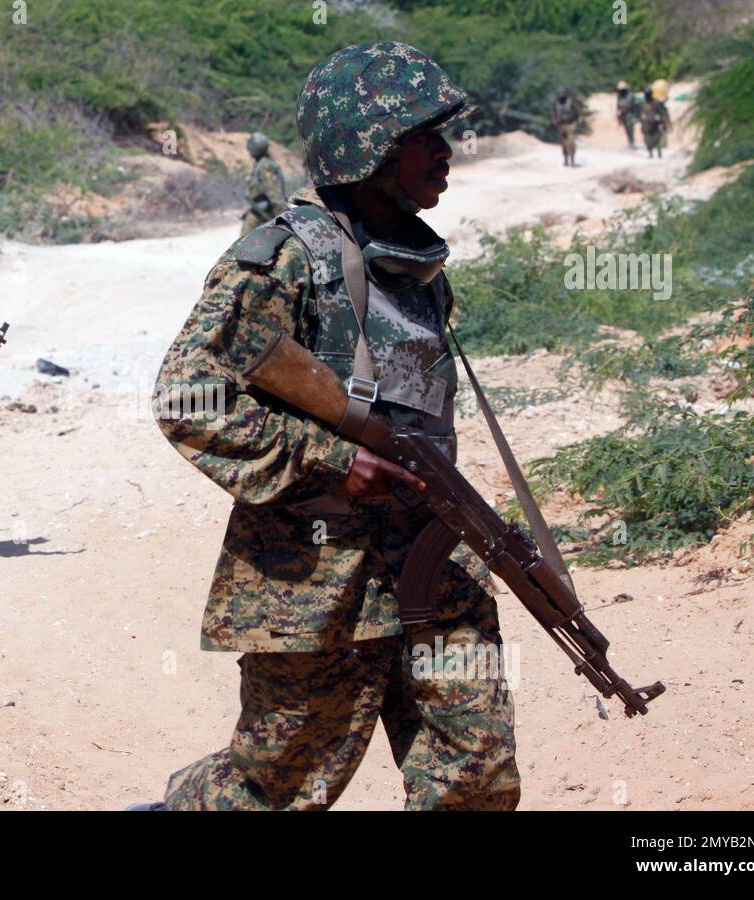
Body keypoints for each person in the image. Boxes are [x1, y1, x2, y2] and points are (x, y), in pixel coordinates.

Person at [136, 42, 520, 811]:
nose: (445, 153)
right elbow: (188, 397)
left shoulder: (412, 262)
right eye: (423, 137)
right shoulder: (283, 259)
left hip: (433, 554)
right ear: (366, 145)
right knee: (275, 788)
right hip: (313, 580)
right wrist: (328, 461)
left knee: (475, 779)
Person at [239, 132, 289, 237]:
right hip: (261, 210)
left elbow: (274, 194)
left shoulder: (264, 166)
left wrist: (284, 218)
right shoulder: (262, 163)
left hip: (264, 213)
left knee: (243, 243)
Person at [550, 87, 582, 166]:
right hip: (561, 125)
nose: (561, 95)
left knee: (571, 142)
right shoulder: (556, 103)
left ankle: (572, 159)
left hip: (571, 124)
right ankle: (566, 159)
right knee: (564, 143)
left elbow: (578, 111)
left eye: (562, 93)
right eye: (560, 94)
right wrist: (555, 120)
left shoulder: (571, 102)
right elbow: (553, 113)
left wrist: (574, 119)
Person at [639, 86, 671, 159]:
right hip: (646, 124)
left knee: (657, 139)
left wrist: (663, 121)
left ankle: (659, 153)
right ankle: (650, 153)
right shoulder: (642, 103)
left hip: (655, 123)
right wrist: (641, 119)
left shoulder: (656, 103)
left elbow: (662, 112)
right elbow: (640, 113)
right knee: (647, 140)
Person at [615, 81, 641, 149]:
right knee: (626, 128)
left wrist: (636, 116)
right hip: (623, 114)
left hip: (630, 114)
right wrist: (618, 116)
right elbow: (618, 105)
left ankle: (632, 142)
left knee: (630, 128)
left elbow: (635, 106)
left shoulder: (631, 95)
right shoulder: (619, 95)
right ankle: (630, 141)